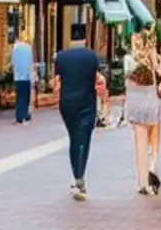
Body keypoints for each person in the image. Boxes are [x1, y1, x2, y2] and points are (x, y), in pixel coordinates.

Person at [53, 25, 102, 201]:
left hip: (67, 104)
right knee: (84, 140)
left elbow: (56, 82)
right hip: (87, 103)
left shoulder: (61, 57)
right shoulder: (92, 57)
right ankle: (80, 175)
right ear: (85, 38)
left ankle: (76, 174)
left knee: (74, 139)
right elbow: (98, 80)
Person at [125, 25, 161, 195]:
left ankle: (141, 181)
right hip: (151, 101)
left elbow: (127, 84)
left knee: (139, 143)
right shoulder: (153, 57)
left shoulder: (129, 60)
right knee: (154, 139)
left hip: (135, 103)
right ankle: (152, 168)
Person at [11, 32, 35, 125]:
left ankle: (19, 116)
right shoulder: (28, 48)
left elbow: (13, 62)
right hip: (27, 76)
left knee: (19, 97)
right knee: (26, 97)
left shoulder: (15, 48)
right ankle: (25, 114)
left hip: (18, 77)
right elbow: (30, 61)